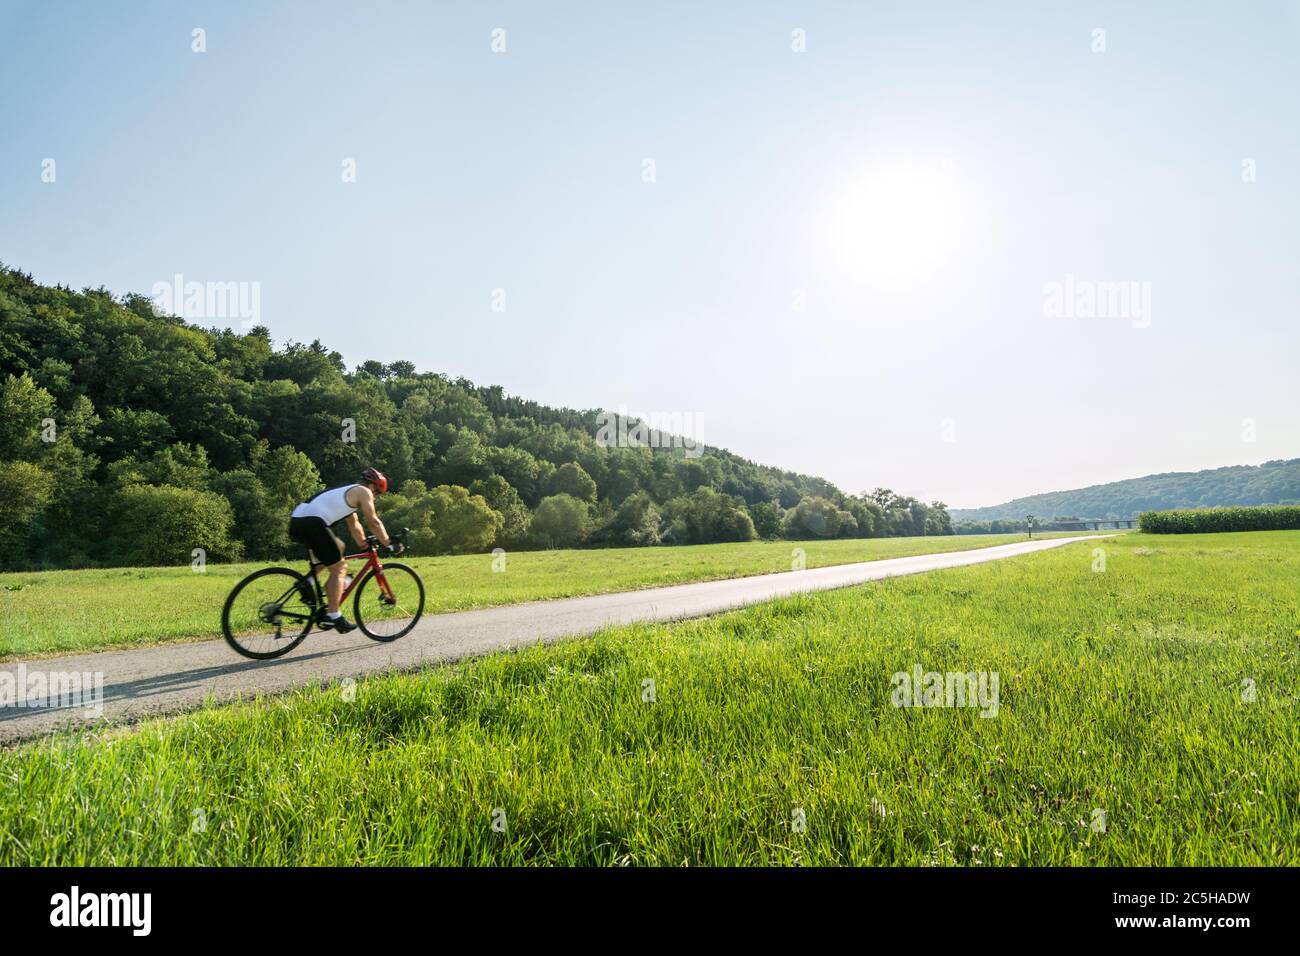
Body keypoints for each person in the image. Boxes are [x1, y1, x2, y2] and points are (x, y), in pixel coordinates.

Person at [288, 467, 402, 633]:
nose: (375, 497)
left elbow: (354, 524)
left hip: (298, 521)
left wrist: (364, 544)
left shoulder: (348, 493)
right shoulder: (364, 492)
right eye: (377, 493)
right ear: (372, 486)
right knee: (340, 568)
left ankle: (307, 583)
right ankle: (333, 616)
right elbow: (373, 521)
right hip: (312, 523)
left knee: (339, 547)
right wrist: (389, 543)